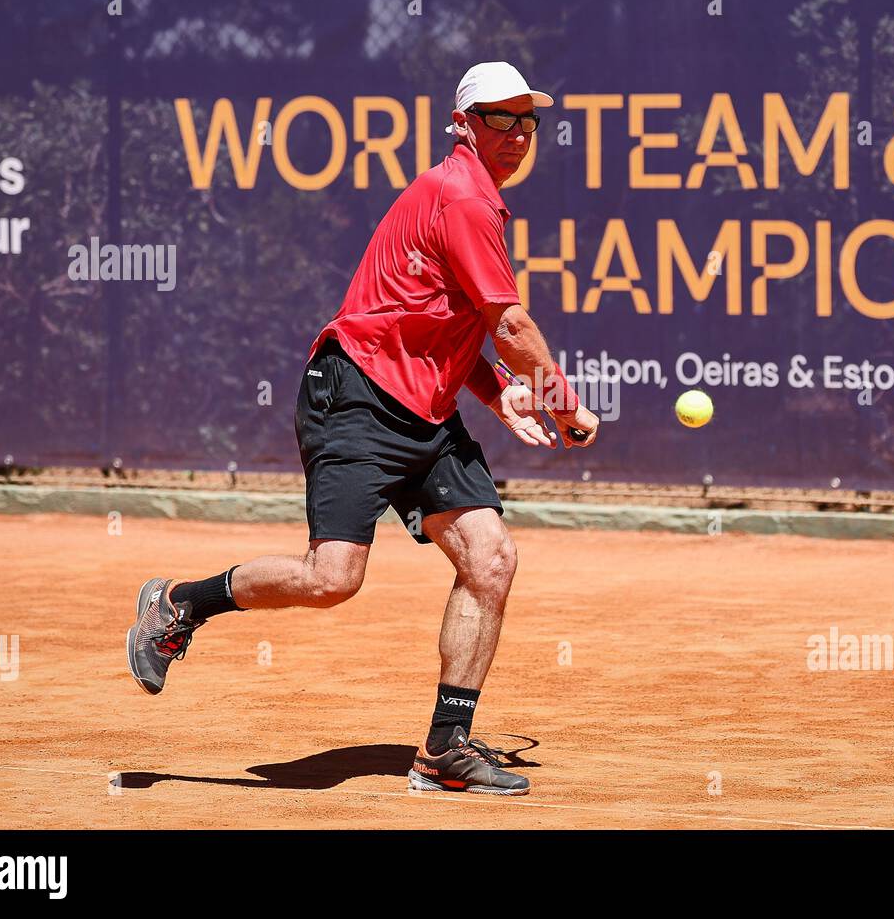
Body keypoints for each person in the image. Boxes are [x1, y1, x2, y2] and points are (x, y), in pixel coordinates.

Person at [125, 61, 599, 796]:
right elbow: (509, 323)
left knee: (490, 558)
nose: (516, 134)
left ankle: (446, 748)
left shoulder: (470, 198)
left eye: (527, 121)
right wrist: (561, 402)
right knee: (331, 580)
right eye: (499, 119)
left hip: (427, 413)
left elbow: (448, 319)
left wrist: (497, 389)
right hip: (358, 397)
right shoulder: (463, 196)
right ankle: (179, 604)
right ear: (463, 125)